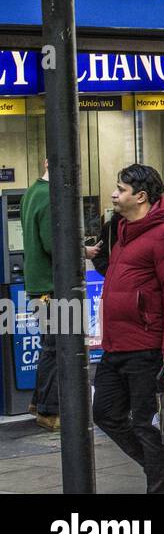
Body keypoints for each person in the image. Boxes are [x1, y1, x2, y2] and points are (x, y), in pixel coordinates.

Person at [90, 165, 164, 494]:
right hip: (116, 345)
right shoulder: (122, 230)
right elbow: (112, 271)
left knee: (148, 426)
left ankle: (160, 487)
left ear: (141, 196)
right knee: (105, 413)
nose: (113, 194)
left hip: (147, 348)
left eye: (120, 189)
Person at [20, 158, 58, 431]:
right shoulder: (49, 196)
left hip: (38, 285)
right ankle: (48, 410)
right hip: (50, 286)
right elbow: (53, 243)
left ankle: (39, 402)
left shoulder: (32, 191)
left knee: (51, 346)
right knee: (57, 348)